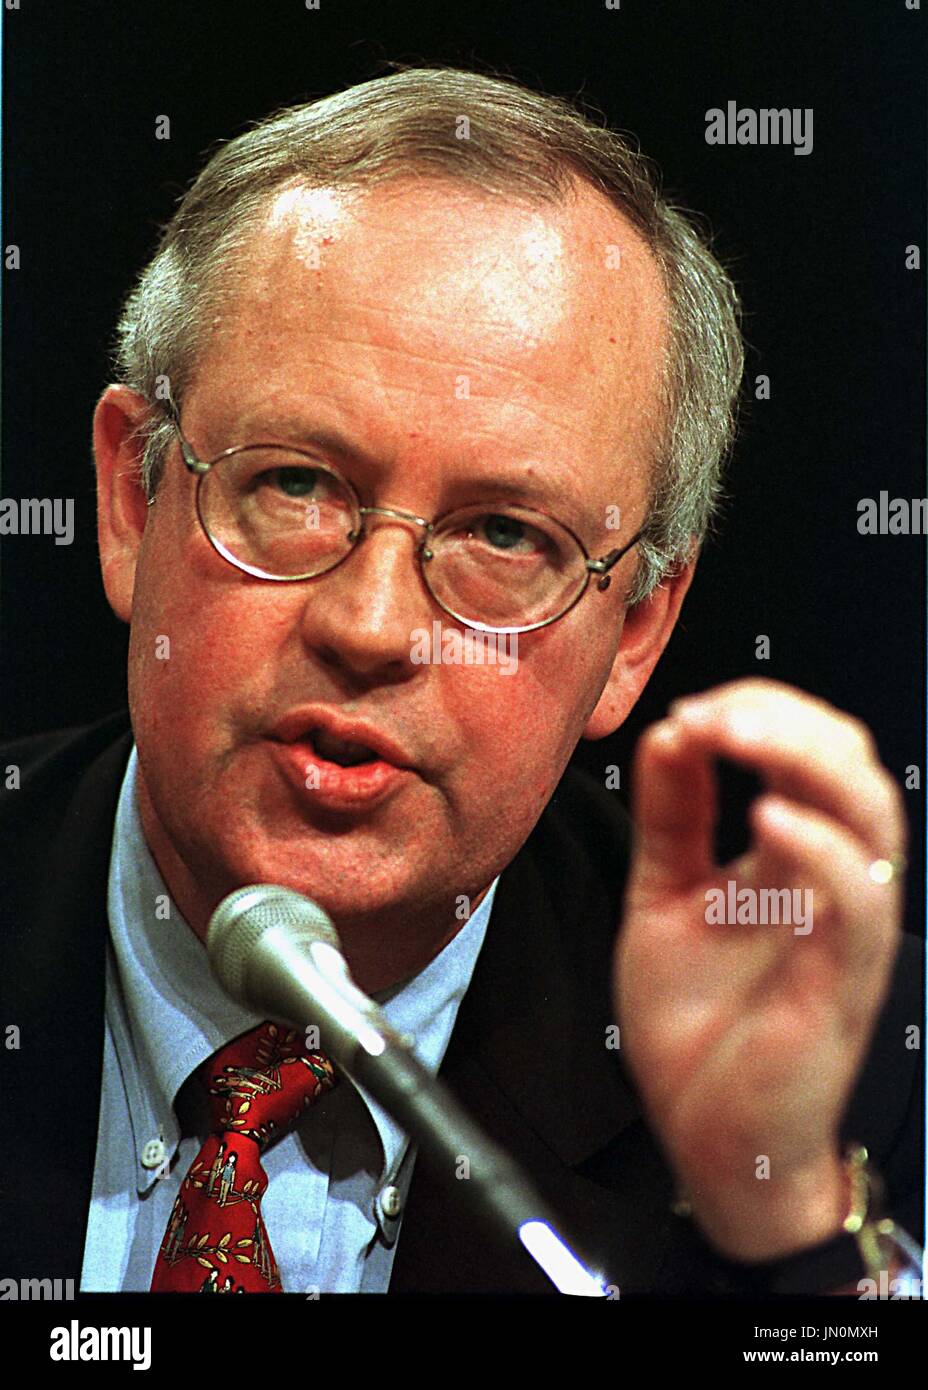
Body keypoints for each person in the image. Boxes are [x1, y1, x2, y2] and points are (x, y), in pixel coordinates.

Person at [0, 66, 921, 1297]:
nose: (373, 626)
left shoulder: (852, 1076)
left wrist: (779, 1215)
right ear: (131, 499)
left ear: (636, 628)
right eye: (294, 484)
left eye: (503, 537)